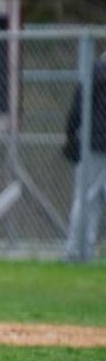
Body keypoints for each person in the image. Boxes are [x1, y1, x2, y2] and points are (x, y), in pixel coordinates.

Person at [63, 49, 106, 262]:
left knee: (87, 198)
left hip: (95, 143)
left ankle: (77, 251)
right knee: (89, 198)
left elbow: (78, 103)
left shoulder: (96, 71)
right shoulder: (97, 72)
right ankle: (79, 251)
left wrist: (71, 132)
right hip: (96, 143)